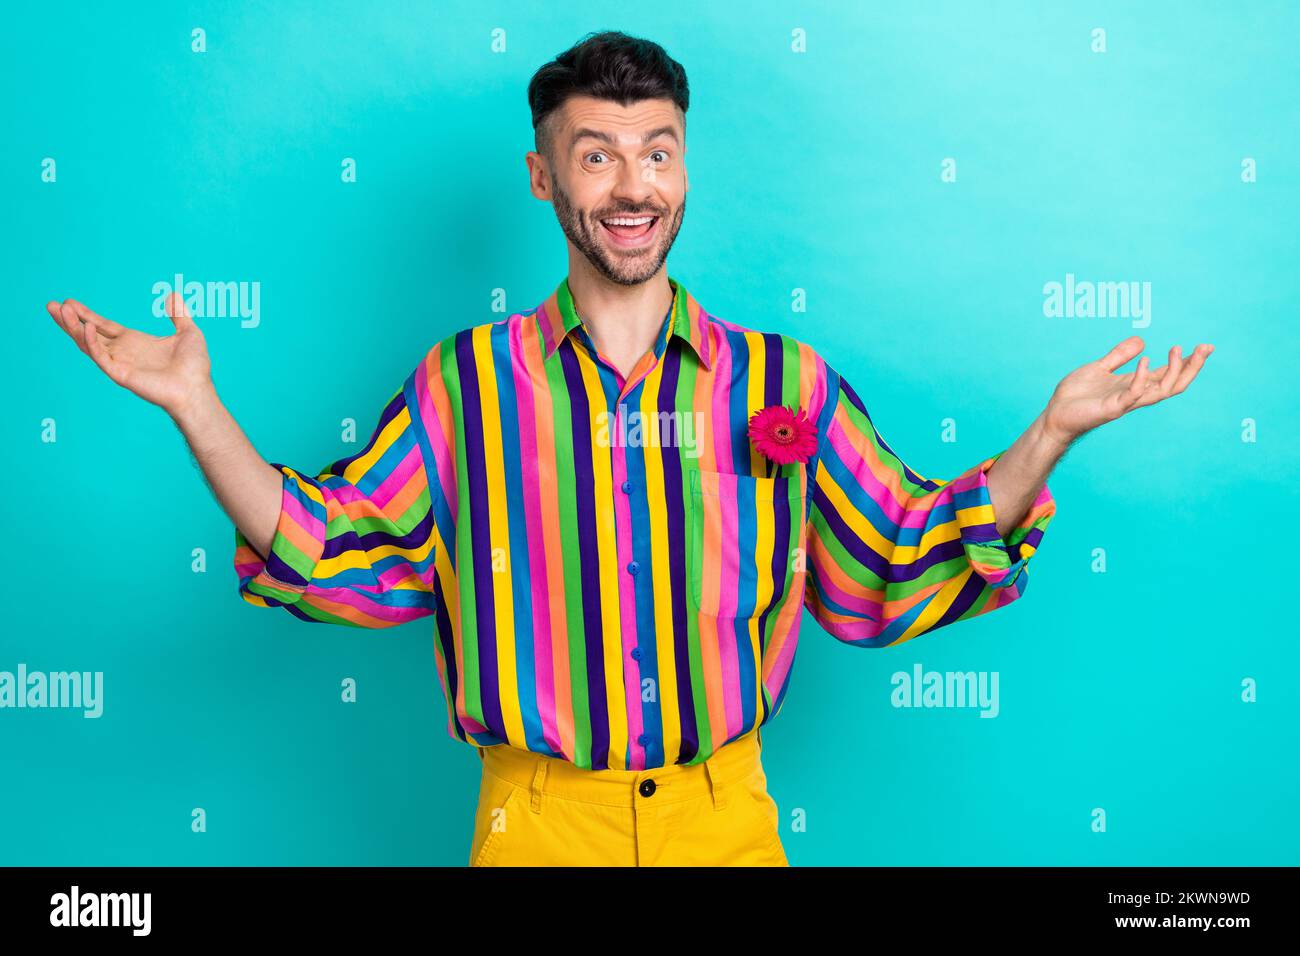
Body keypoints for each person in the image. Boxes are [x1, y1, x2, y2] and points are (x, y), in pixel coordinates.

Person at [44, 31, 1212, 867]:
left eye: (657, 151)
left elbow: (892, 560)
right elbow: (341, 551)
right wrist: (197, 404)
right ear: (543, 176)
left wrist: (1049, 433)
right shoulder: (464, 387)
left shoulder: (782, 383)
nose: (631, 183)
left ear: (685, 172)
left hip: (726, 818)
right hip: (535, 822)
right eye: (595, 154)